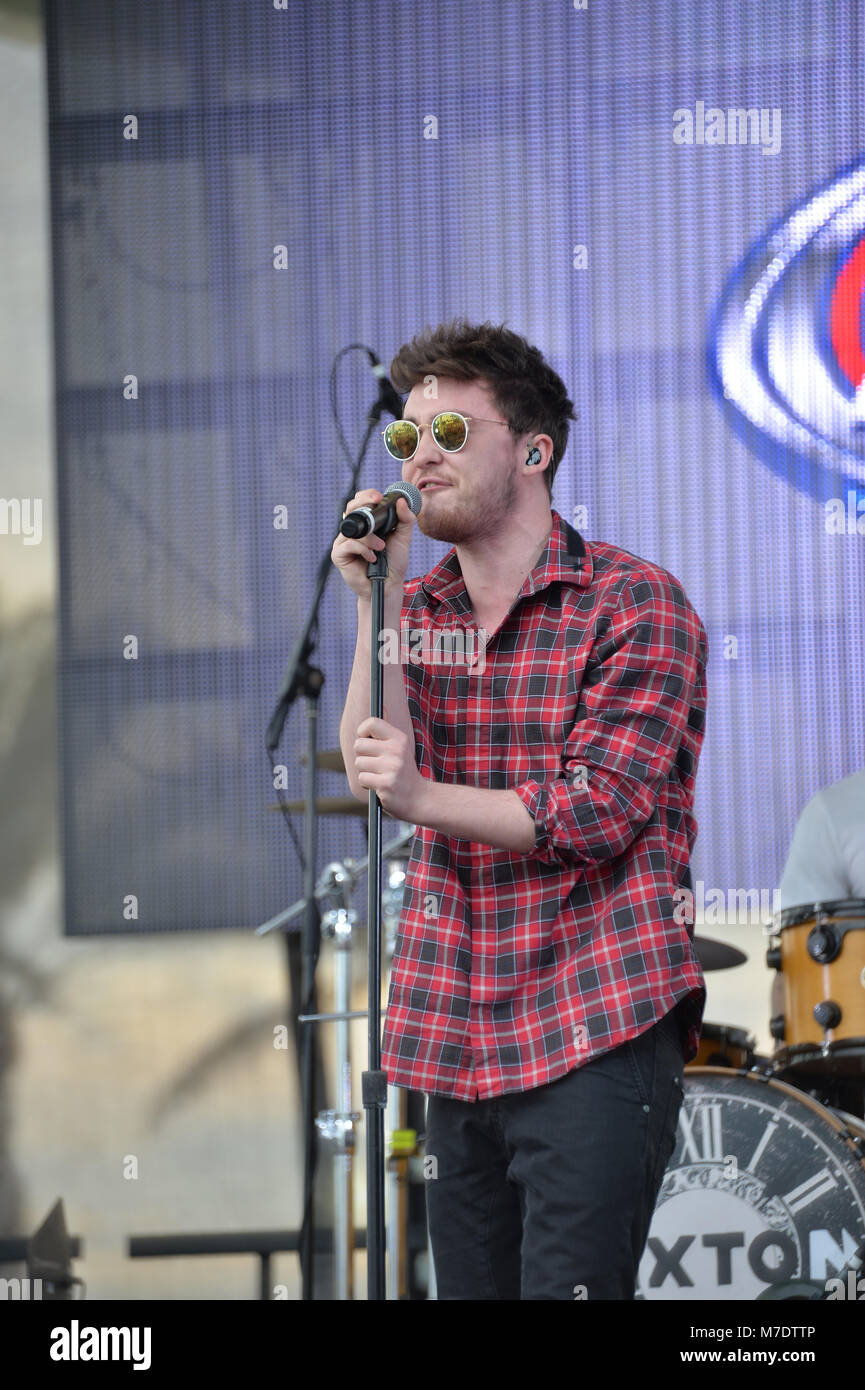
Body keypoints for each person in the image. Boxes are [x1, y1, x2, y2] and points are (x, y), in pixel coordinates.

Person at [331, 319, 708, 1300]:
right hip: (453, 1030)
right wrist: (373, 601)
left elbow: (598, 811)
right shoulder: (418, 614)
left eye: (451, 433)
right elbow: (375, 759)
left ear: (533, 450)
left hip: (593, 1021)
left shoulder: (632, 604)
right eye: (407, 440)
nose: (421, 458)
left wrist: (420, 796)